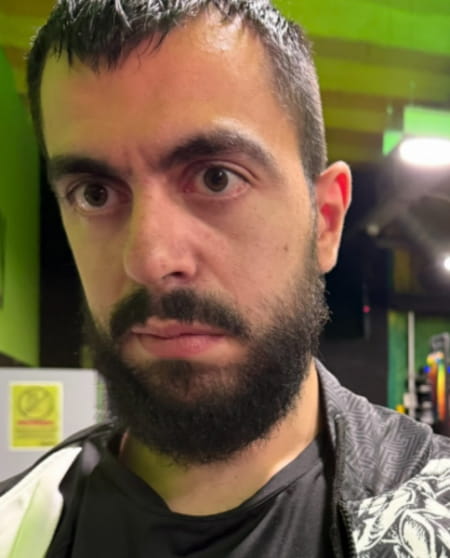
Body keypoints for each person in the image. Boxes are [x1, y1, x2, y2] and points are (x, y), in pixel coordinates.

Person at [1, 0, 450, 556]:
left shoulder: (432, 514)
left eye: (217, 178)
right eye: (95, 194)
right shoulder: (15, 528)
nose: (150, 259)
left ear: (325, 222)